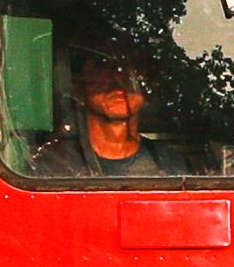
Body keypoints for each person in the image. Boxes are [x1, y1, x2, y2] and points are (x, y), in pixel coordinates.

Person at [29, 45, 197, 179]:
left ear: (148, 91)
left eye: (130, 68)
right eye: (102, 66)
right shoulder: (52, 165)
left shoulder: (173, 167)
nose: (118, 78)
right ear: (78, 86)